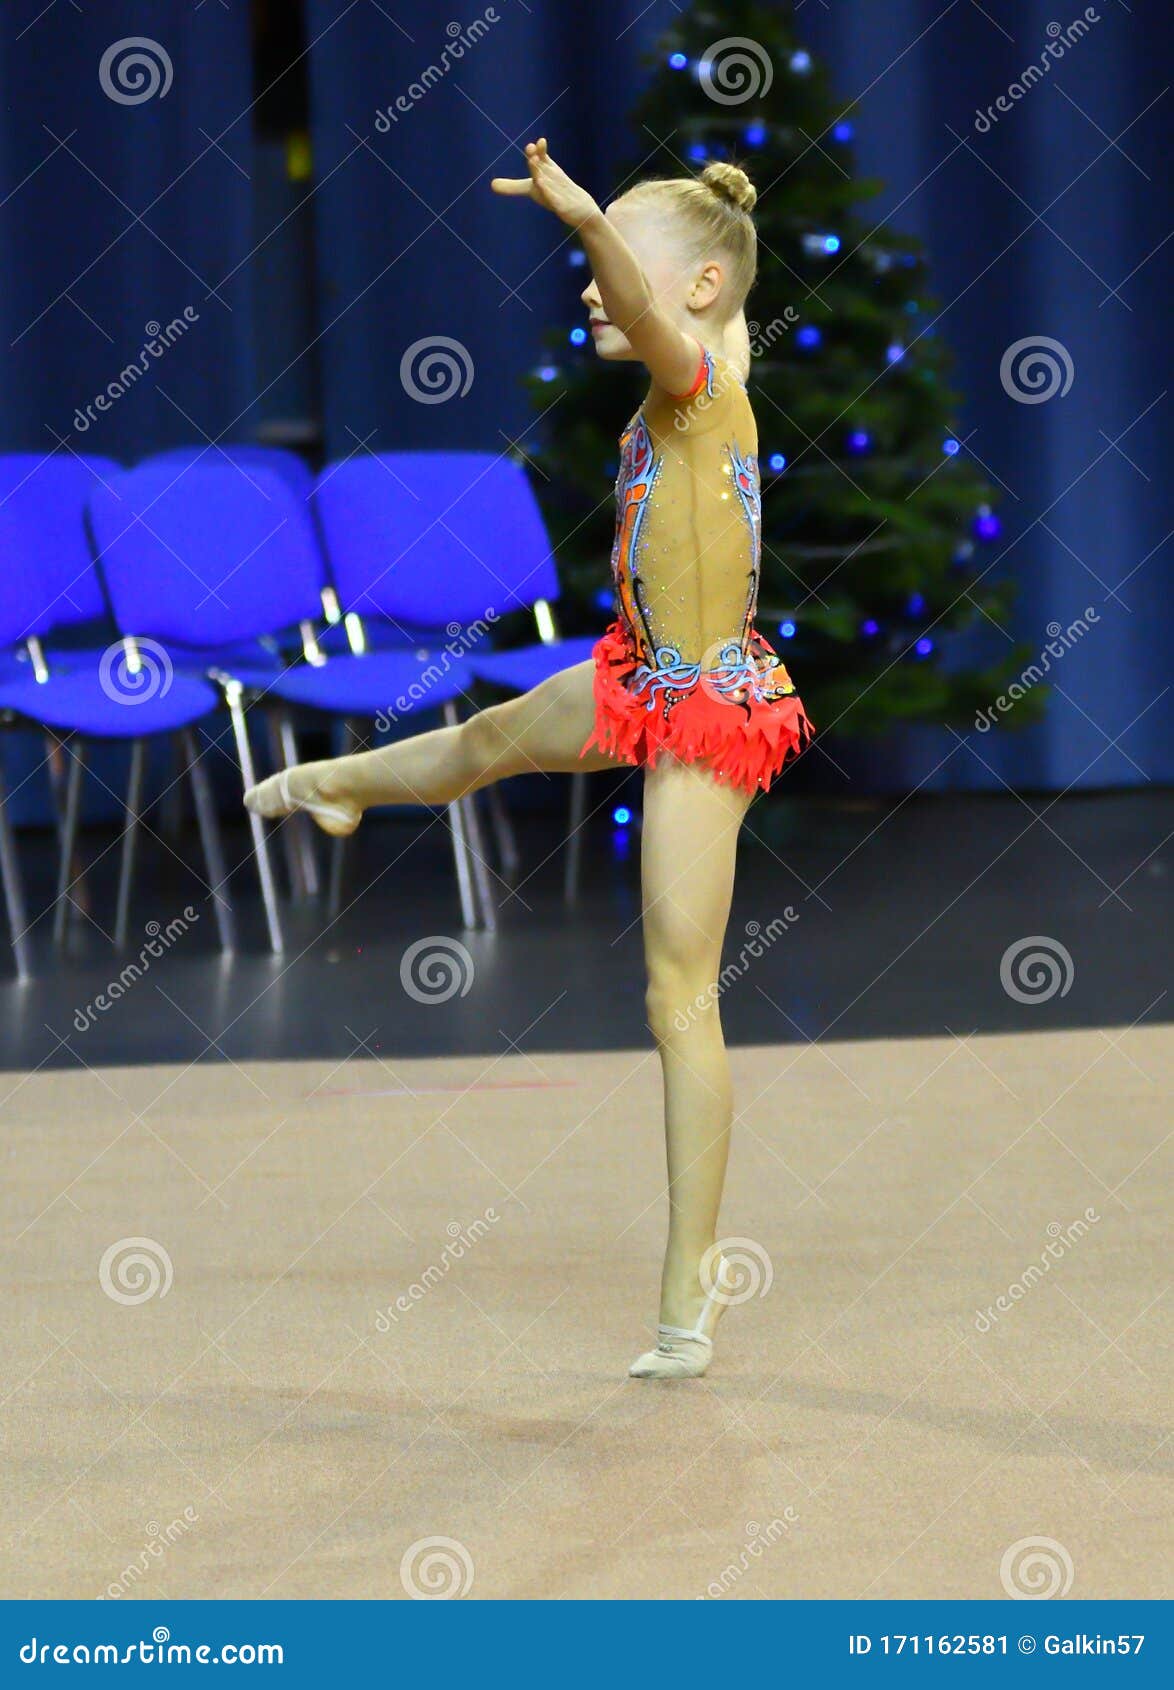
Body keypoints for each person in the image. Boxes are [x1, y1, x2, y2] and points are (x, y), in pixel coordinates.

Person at [245, 139, 812, 1380]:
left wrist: (586, 217)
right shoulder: (704, 360)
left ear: (696, 292)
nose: (593, 290)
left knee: (677, 996)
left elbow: (659, 319)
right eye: (592, 269)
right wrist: (659, 230)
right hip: (637, 673)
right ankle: (334, 786)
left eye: (617, 271)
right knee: (484, 741)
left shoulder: (697, 384)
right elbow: (693, 299)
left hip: (707, 710)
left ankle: (692, 1276)